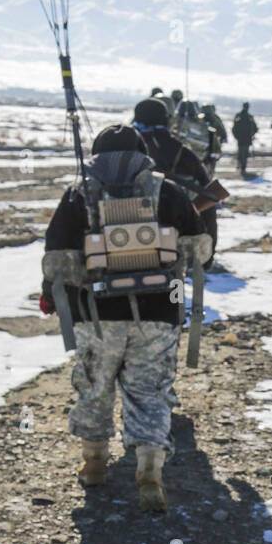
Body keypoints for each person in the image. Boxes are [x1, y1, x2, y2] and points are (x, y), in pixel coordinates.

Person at [39, 124, 208, 512]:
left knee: (95, 386)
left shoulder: (78, 194)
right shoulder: (168, 191)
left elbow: (57, 261)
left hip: (94, 317)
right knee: (150, 391)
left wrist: (58, 293)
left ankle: (95, 465)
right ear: (142, 153)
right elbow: (199, 251)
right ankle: (149, 473)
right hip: (158, 313)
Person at [132, 97, 219, 266]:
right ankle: (177, 293)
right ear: (166, 119)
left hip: (127, 241)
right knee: (176, 284)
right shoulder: (183, 153)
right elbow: (208, 199)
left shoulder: (127, 154)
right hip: (174, 242)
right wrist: (208, 253)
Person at [232, 102, 258, 176]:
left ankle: (241, 166)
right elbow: (255, 128)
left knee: (242, 152)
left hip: (242, 138)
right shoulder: (249, 117)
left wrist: (236, 136)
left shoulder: (240, 115)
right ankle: (242, 167)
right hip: (245, 138)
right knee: (244, 153)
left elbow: (234, 128)